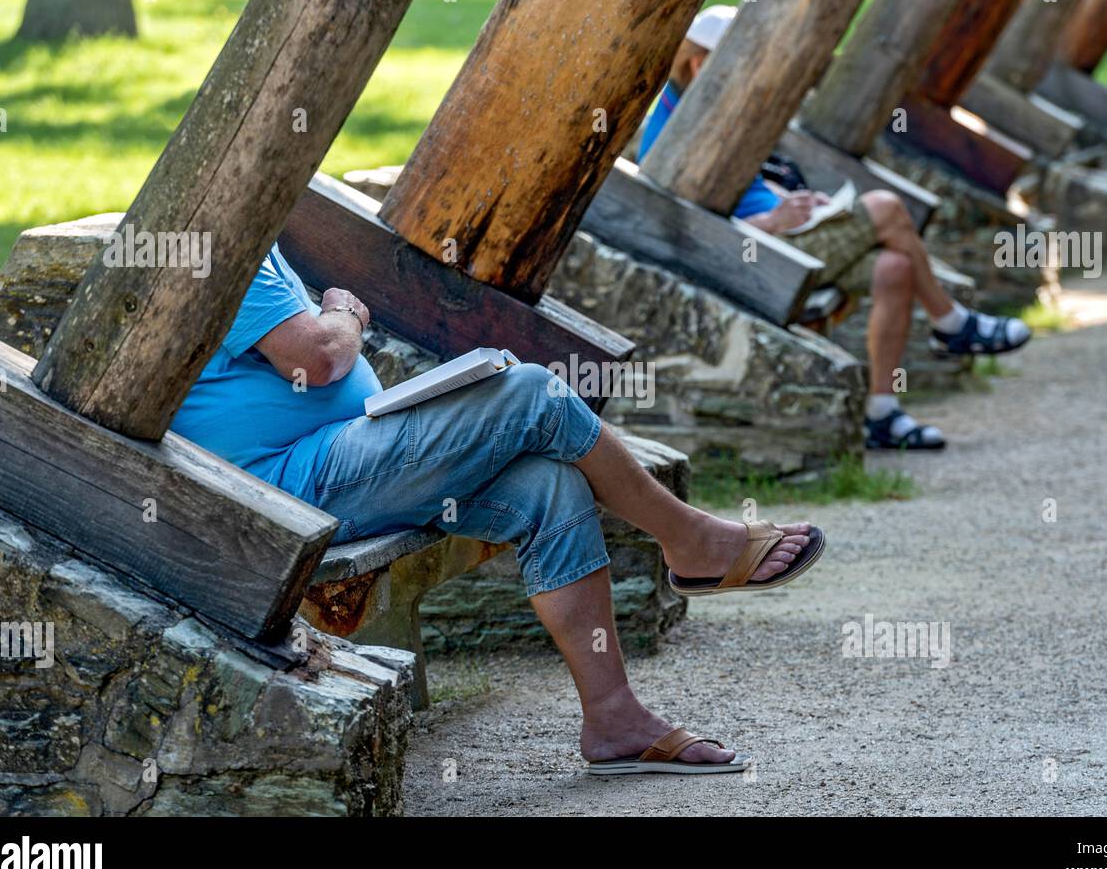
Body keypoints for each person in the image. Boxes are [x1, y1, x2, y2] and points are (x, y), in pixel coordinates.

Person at [169, 242, 825, 774]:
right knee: (533, 392)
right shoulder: (221, 241)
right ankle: (694, 542)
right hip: (289, 490)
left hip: (327, 464)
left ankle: (614, 718)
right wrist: (347, 312)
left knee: (548, 486)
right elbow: (317, 356)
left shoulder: (253, 238)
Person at [639, 5, 1032, 451]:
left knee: (894, 269)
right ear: (699, 65)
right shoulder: (670, 130)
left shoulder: (699, 110)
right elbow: (691, 230)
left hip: (787, 233)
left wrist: (792, 201)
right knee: (884, 207)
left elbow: (739, 184)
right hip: (767, 252)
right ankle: (952, 322)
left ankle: (883, 413)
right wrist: (773, 220)